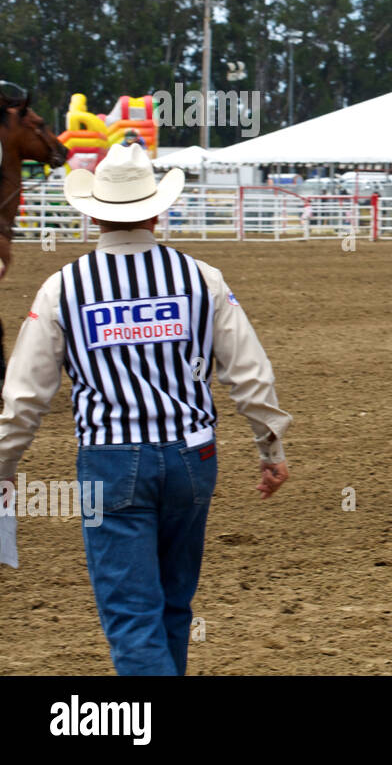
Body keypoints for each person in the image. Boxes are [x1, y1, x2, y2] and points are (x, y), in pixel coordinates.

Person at [0, 145, 292, 675]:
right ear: (156, 210)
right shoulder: (202, 278)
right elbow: (249, 371)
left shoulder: (63, 288)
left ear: (92, 213)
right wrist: (269, 447)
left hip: (110, 462)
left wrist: (3, 466)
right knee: (172, 607)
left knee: (132, 617)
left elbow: (25, 397)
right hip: (192, 457)